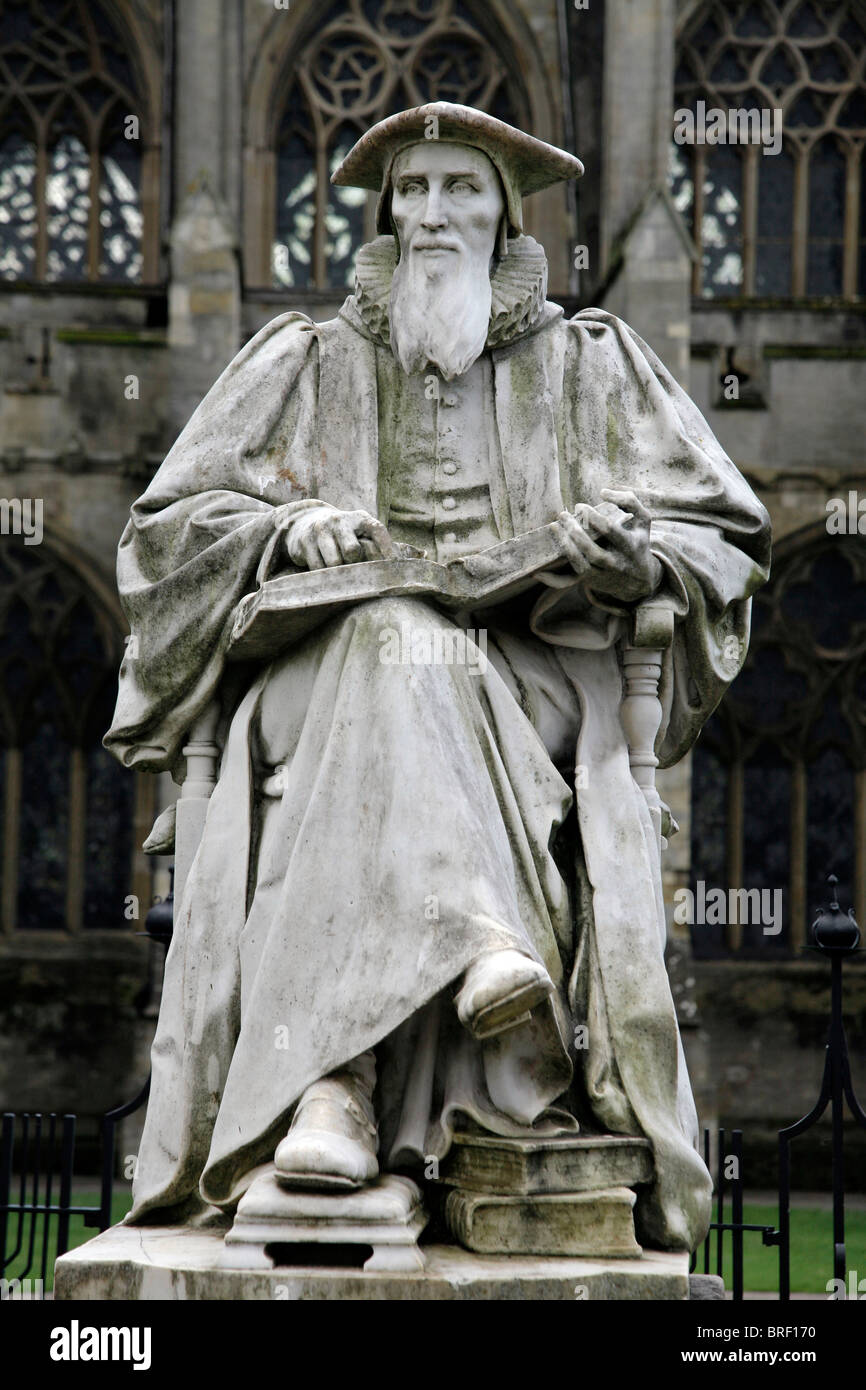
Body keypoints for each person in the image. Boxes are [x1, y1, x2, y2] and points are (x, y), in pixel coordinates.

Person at [106, 103, 770, 1252]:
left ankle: (336, 1096)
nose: (431, 214)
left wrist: (636, 559)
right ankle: (479, 948)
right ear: (384, 214)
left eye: (460, 188)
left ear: (505, 216)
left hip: (528, 690)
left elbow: (719, 530)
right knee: (388, 632)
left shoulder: (587, 364)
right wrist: (283, 532)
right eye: (410, 190)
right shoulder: (306, 360)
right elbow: (164, 534)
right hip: (317, 681)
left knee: (405, 645)